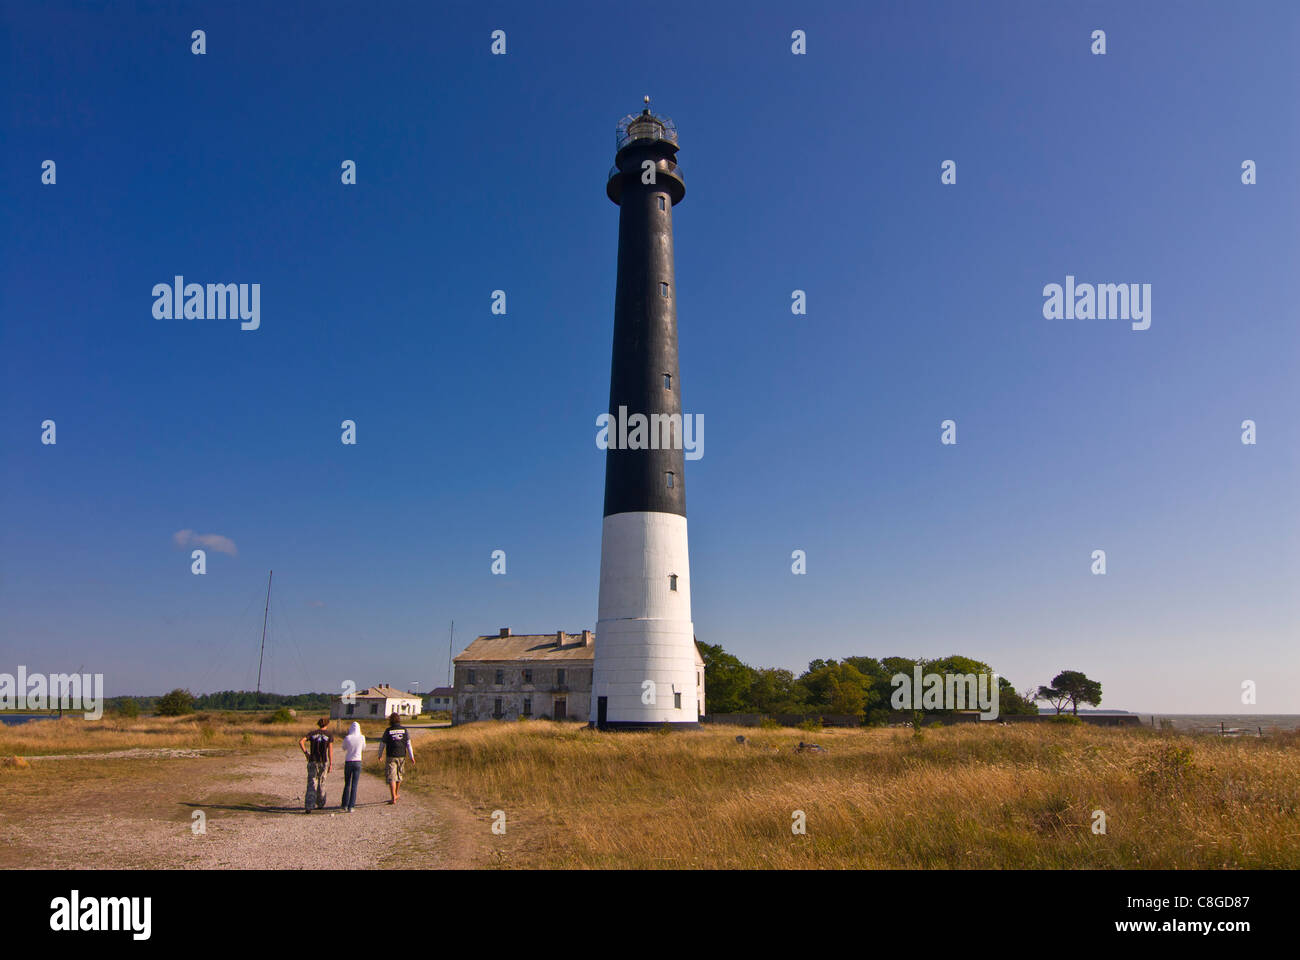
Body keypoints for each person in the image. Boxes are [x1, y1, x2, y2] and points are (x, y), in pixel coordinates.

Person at [377, 711, 414, 804]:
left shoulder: (388, 731)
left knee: (391, 776)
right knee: (399, 775)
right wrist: (411, 756)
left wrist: (380, 754)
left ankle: (393, 796)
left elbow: (382, 744)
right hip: (402, 755)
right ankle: (396, 794)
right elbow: (408, 744)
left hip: (391, 755)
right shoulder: (404, 730)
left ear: (390, 720)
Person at [298, 718, 333, 813]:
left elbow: (301, 741)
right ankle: (320, 802)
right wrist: (331, 763)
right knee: (322, 782)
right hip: (323, 761)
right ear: (327, 724)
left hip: (312, 761)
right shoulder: (329, 735)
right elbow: (330, 750)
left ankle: (309, 805)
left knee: (312, 782)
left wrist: (306, 753)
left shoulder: (312, 733)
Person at [340, 721, 365, 812]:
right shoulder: (362, 737)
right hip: (358, 761)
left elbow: (343, 748)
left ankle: (344, 804)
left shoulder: (348, 738)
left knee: (347, 784)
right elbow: (363, 748)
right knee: (354, 785)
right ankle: (351, 806)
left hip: (349, 761)